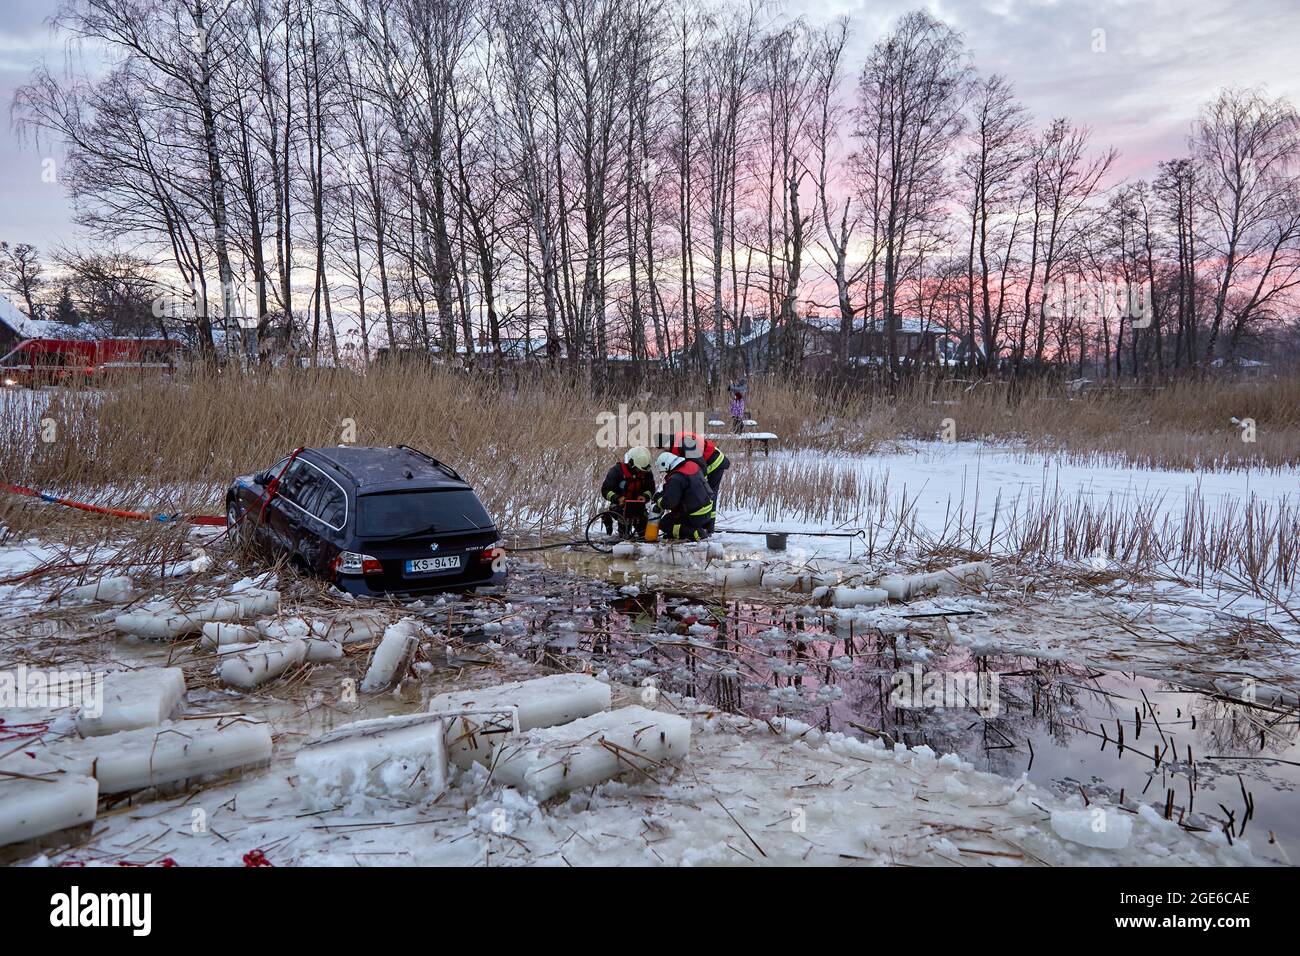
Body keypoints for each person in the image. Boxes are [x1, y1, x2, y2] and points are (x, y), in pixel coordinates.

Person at [651, 451, 715, 540]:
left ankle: (693, 533)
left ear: (667, 465)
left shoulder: (676, 478)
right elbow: (684, 489)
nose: (666, 472)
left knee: (665, 524)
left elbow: (669, 503)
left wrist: (658, 499)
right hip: (707, 512)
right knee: (670, 519)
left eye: (665, 470)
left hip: (694, 515)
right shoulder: (691, 465)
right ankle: (679, 533)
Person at [599, 446, 655, 536]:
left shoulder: (646, 472)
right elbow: (606, 490)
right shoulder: (616, 471)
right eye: (639, 469)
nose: (641, 472)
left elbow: (651, 489)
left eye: (643, 470)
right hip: (619, 505)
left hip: (638, 506)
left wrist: (645, 496)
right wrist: (618, 498)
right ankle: (608, 518)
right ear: (631, 464)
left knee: (644, 532)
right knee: (625, 531)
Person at [659, 430, 729, 500]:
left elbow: (700, 463)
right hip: (707, 460)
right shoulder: (676, 441)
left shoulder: (685, 443)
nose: (665, 451)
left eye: (664, 448)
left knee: (708, 493)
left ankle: (711, 510)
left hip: (714, 461)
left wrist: (702, 481)